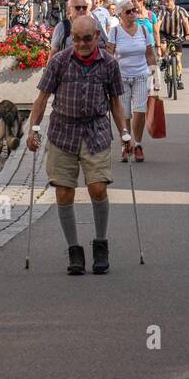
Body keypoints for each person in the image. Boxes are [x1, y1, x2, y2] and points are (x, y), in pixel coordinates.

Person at [27, 15, 128, 276]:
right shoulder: (59, 62)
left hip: (96, 130)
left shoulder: (109, 64)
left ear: (97, 36)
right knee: (64, 192)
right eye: (76, 38)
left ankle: (101, 243)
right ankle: (74, 250)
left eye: (87, 38)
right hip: (63, 131)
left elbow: (116, 103)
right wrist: (34, 129)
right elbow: (41, 99)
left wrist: (126, 135)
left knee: (97, 187)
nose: (81, 43)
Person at [107, 0, 157, 162]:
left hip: (141, 75)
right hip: (121, 77)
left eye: (134, 10)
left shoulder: (143, 30)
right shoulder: (114, 32)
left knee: (140, 111)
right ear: (120, 14)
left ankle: (138, 144)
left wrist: (155, 76)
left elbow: (150, 54)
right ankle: (126, 144)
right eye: (128, 11)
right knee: (125, 113)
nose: (132, 13)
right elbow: (109, 56)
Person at [158, 0, 189, 89]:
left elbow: (185, 23)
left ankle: (179, 79)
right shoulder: (162, 10)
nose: (166, 3)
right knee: (163, 47)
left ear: (173, 0)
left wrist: (188, 34)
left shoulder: (181, 10)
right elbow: (159, 22)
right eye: (164, 1)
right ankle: (164, 60)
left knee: (178, 58)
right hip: (164, 33)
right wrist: (156, 30)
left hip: (178, 35)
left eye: (168, 1)